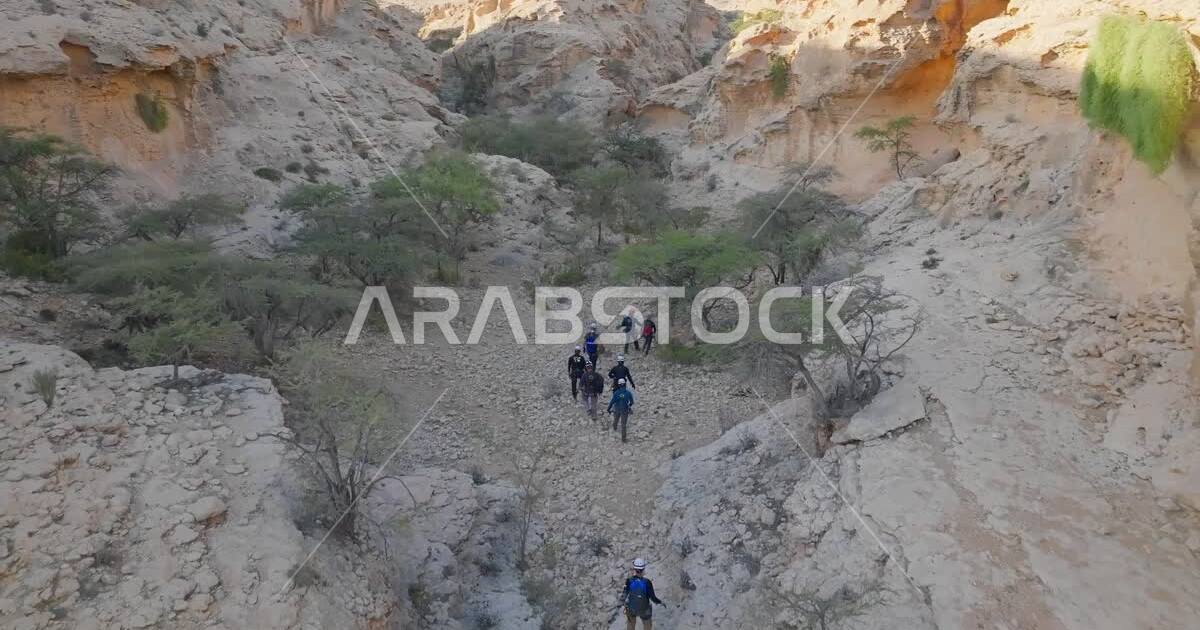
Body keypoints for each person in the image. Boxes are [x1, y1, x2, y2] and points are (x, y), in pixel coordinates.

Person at [622, 557, 663, 629]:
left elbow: (624, 595)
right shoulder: (647, 582)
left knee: (630, 625)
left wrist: (622, 604)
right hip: (644, 609)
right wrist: (660, 602)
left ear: (634, 569)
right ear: (643, 569)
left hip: (632, 609)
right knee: (647, 625)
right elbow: (652, 597)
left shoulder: (629, 581)